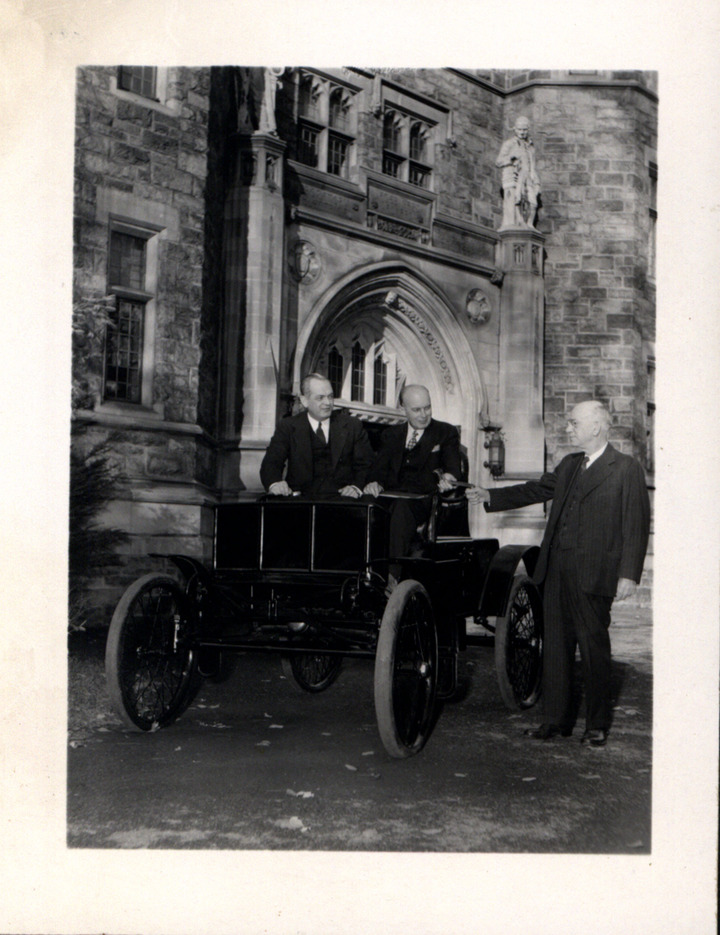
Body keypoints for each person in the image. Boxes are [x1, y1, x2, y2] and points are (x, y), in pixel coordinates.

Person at [468, 400, 650, 747]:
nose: (569, 428)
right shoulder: (569, 464)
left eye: (574, 423)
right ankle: (554, 721)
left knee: (593, 651)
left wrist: (628, 575)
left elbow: (636, 525)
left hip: (594, 575)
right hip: (555, 570)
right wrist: (490, 494)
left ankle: (596, 725)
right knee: (555, 648)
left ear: (596, 426)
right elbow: (536, 489)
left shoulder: (626, 468)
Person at [363, 385, 462, 570]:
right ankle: (359, 571)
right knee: (364, 505)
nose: (424, 414)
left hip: (422, 499)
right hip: (390, 496)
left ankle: (393, 577)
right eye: (417, 410)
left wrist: (448, 478)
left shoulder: (445, 432)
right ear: (403, 409)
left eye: (427, 407)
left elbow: (453, 468)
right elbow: (378, 470)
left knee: (401, 510)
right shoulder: (390, 434)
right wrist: (374, 483)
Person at [260, 373, 373, 498]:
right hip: (300, 501)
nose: (328, 403)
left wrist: (355, 487)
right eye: (320, 398)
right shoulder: (288, 426)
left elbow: (366, 465)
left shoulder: (352, 426)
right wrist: (276, 484)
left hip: (342, 501)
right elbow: (271, 463)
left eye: (330, 396)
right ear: (305, 401)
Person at [495, 115, 541, 229]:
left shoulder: (530, 147)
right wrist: (511, 158)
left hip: (528, 177)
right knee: (516, 201)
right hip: (514, 177)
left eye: (524, 129)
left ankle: (529, 225)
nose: (522, 132)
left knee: (533, 203)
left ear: (528, 130)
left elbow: (532, 165)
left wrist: (536, 180)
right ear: (515, 129)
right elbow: (499, 162)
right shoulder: (509, 144)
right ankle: (516, 224)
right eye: (519, 129)